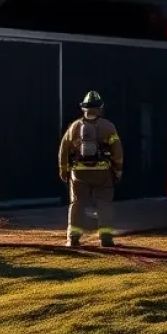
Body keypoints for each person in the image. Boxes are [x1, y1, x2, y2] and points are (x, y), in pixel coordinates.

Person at [58, 91, 124, 248]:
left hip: (78, 173)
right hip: (102, 173)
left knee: (77, 203)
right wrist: (118, 169)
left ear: (84, 109)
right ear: (100, 108)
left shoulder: (74, 127)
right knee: (104, 202)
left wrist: (64, 170)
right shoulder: (108, 127)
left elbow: (63, 150)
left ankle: (73, 237)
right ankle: (106, 236)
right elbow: (118, 151)